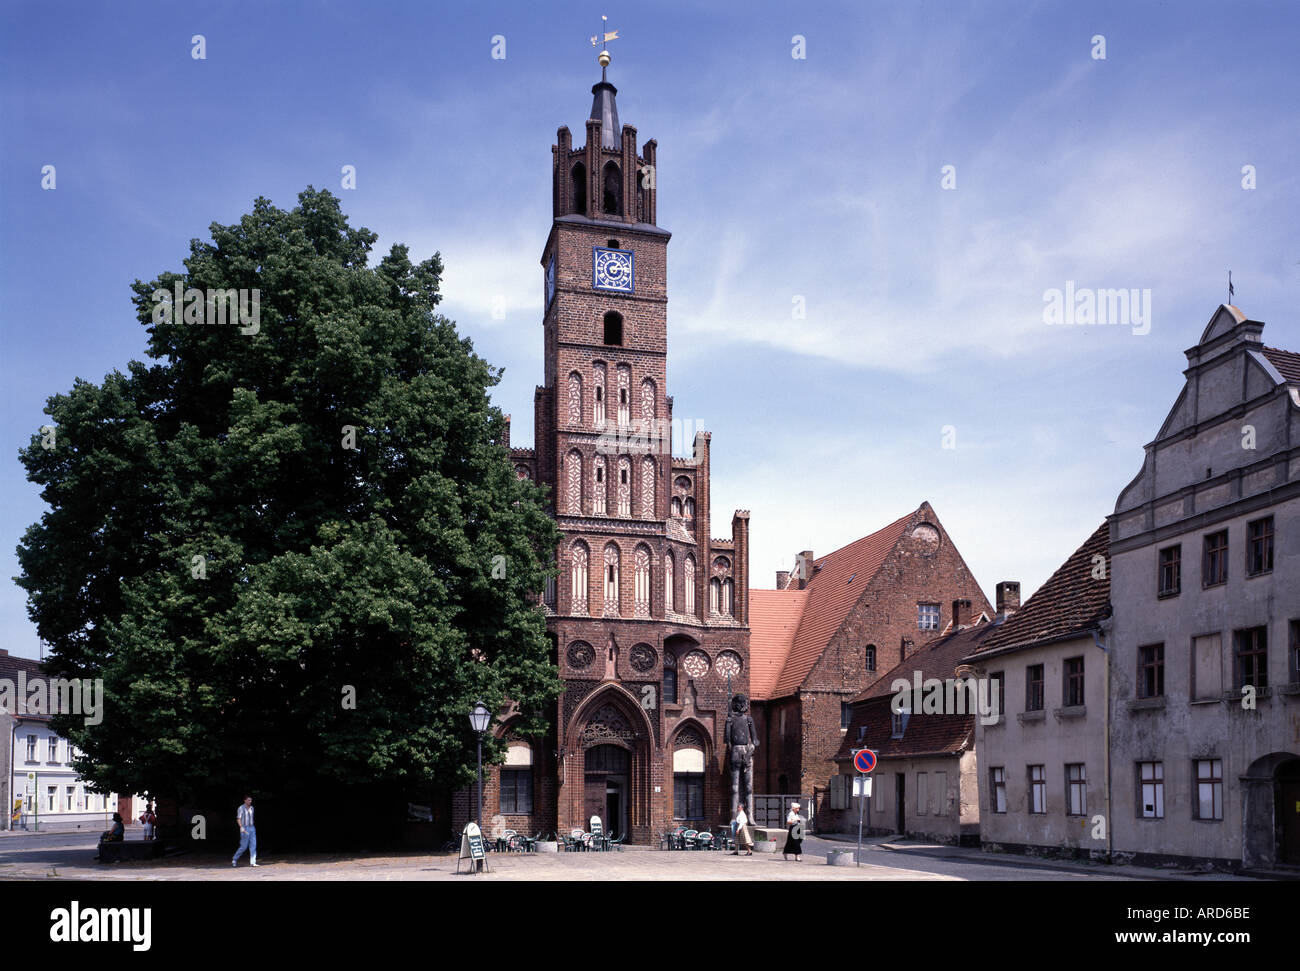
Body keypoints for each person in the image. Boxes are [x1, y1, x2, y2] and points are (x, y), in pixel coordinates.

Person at [232, 795, 258, 867]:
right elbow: (238, 818)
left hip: (252, 827)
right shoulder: (241, 808)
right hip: (245, 828)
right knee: (244, 846)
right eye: (249, 800)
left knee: (253, 845)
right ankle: (234, 859)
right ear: (245, 800)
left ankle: (253, 862)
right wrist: (241, 827)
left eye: (251, 800)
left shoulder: (252, 808)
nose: (250, 801)